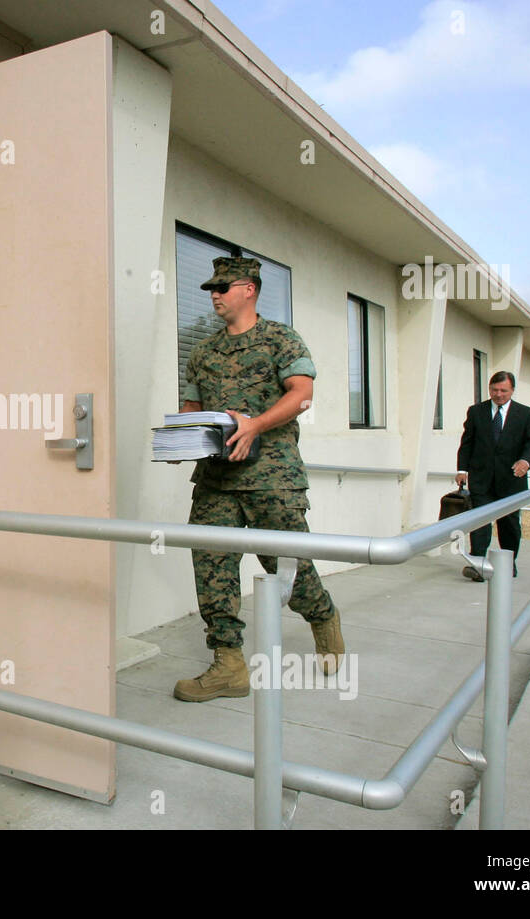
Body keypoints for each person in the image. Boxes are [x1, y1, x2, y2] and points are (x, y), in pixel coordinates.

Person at [173, 256, 344, 703]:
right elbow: (192, 408)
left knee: (286, 567)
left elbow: (302, 395)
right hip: (216, 480)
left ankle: (323, 616)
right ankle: (228, 664)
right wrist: (182, 439)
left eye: (223, 286)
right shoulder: (204, 351)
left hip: (273, 477)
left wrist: (254, 425)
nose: (214, 294)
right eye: (211, 287)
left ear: (249, 289)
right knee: (212, 567)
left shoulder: (280, 340)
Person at [455, 371, 530, 580]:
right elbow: (467, 442)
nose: (498, 394)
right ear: (489, 389)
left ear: (512, 390)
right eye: (494, 390)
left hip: (512, 480)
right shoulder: (476, 412)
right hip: (481, 479)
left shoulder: (526, 414)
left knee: (509, 525)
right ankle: (478, 564)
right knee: (479, 522)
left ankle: (508, 563)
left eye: (503, 390)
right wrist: (461, 470)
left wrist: (525, 461)